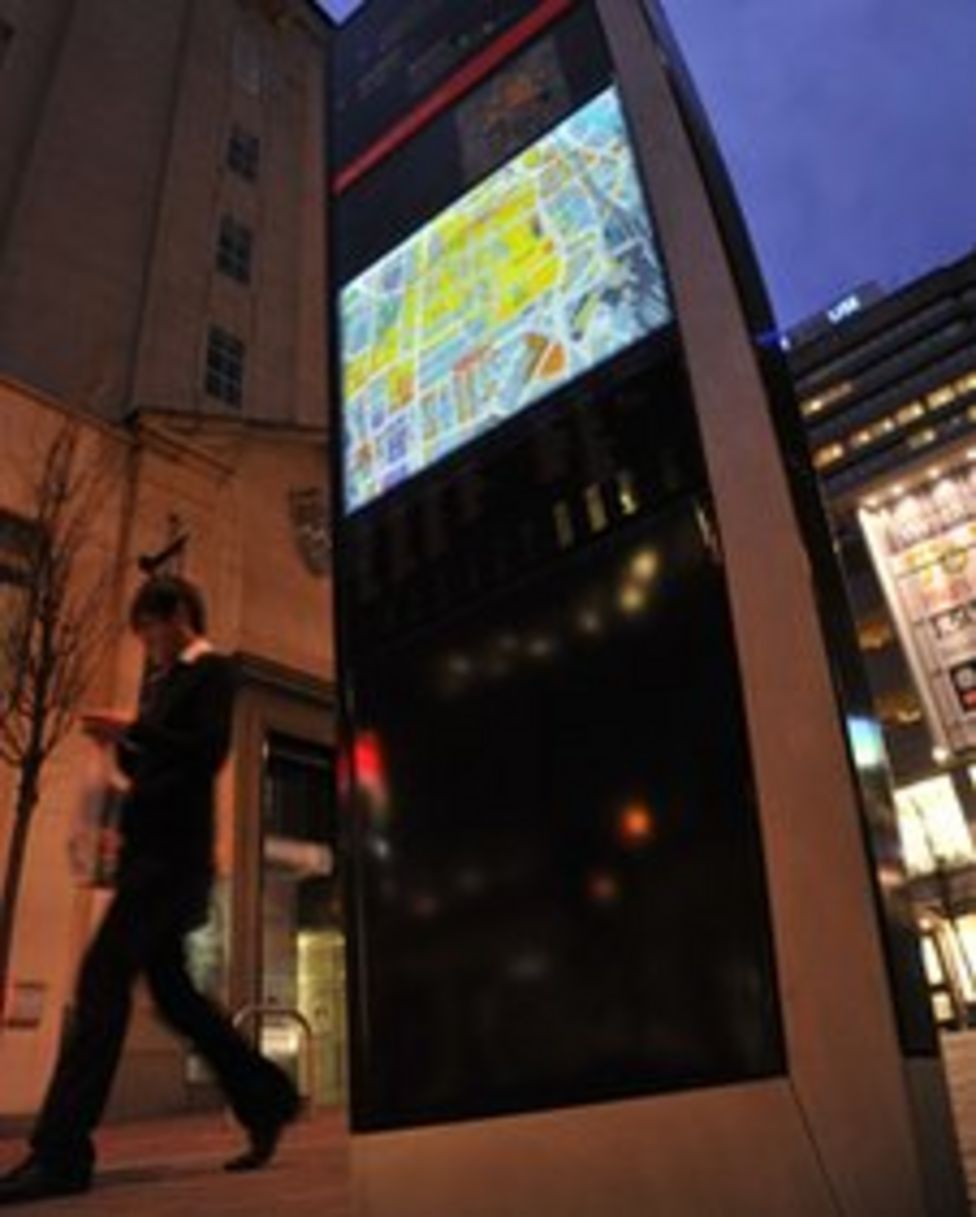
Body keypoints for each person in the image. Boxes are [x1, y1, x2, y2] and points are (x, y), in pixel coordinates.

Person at [0, 576, 299, 1206]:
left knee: (101, 982)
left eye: (150, 631)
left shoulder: (213, 672)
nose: (148, 646)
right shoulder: (165, 685)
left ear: (179, 615)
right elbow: (155, 765)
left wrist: (135, 725)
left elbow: (206, 751)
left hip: (171, 865)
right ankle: (266, 1097)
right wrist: (121, 744)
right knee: (177, 999)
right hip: (151, 860)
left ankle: (60, 1153)